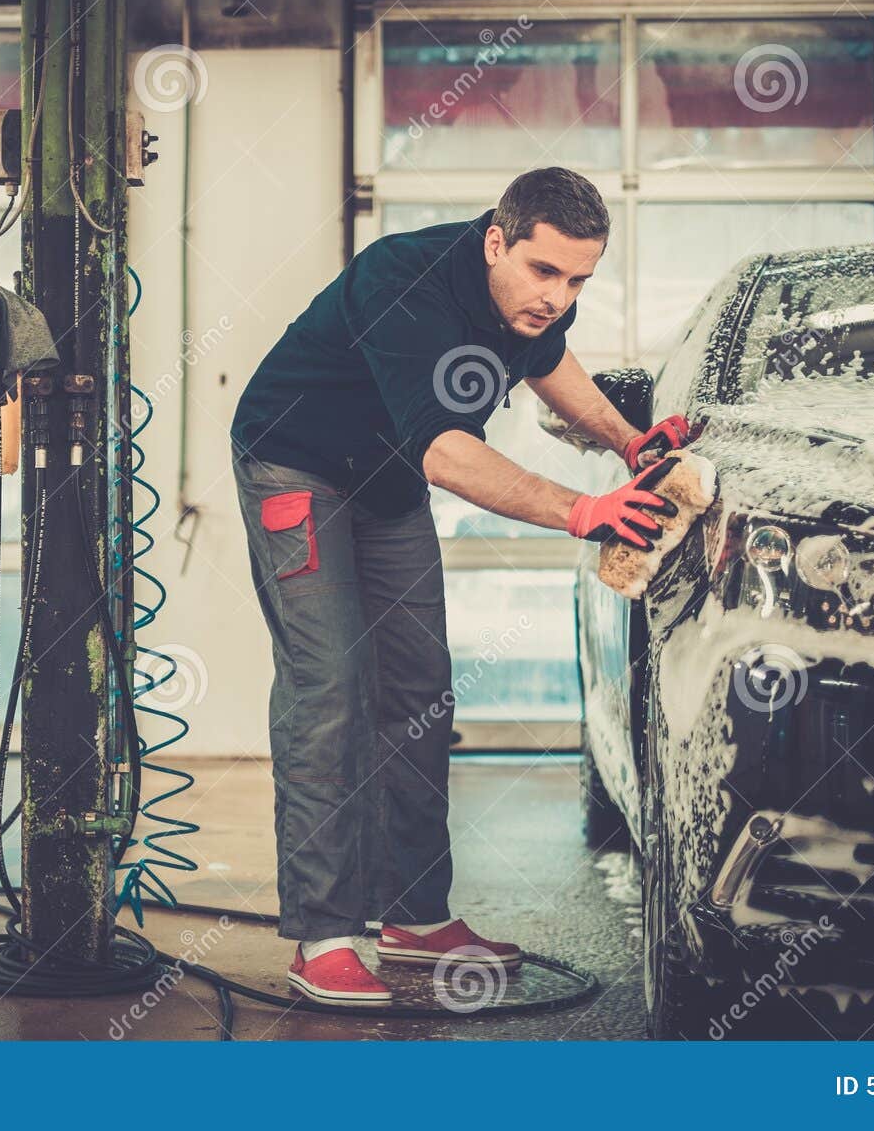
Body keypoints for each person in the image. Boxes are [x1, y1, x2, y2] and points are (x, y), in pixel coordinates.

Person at [228, 166, 691, 1007]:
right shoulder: (403, 282)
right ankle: (324, 935)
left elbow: (550, 363)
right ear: (495, 240)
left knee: (419, 692)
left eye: (578, 279)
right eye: (544, 271)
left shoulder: (535, 302)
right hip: (296, 462)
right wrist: (583, 508)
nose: (557, 294)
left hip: (388, 485)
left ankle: (413, 916)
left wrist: (630, 442)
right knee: (329, 683)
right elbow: (445, 451)